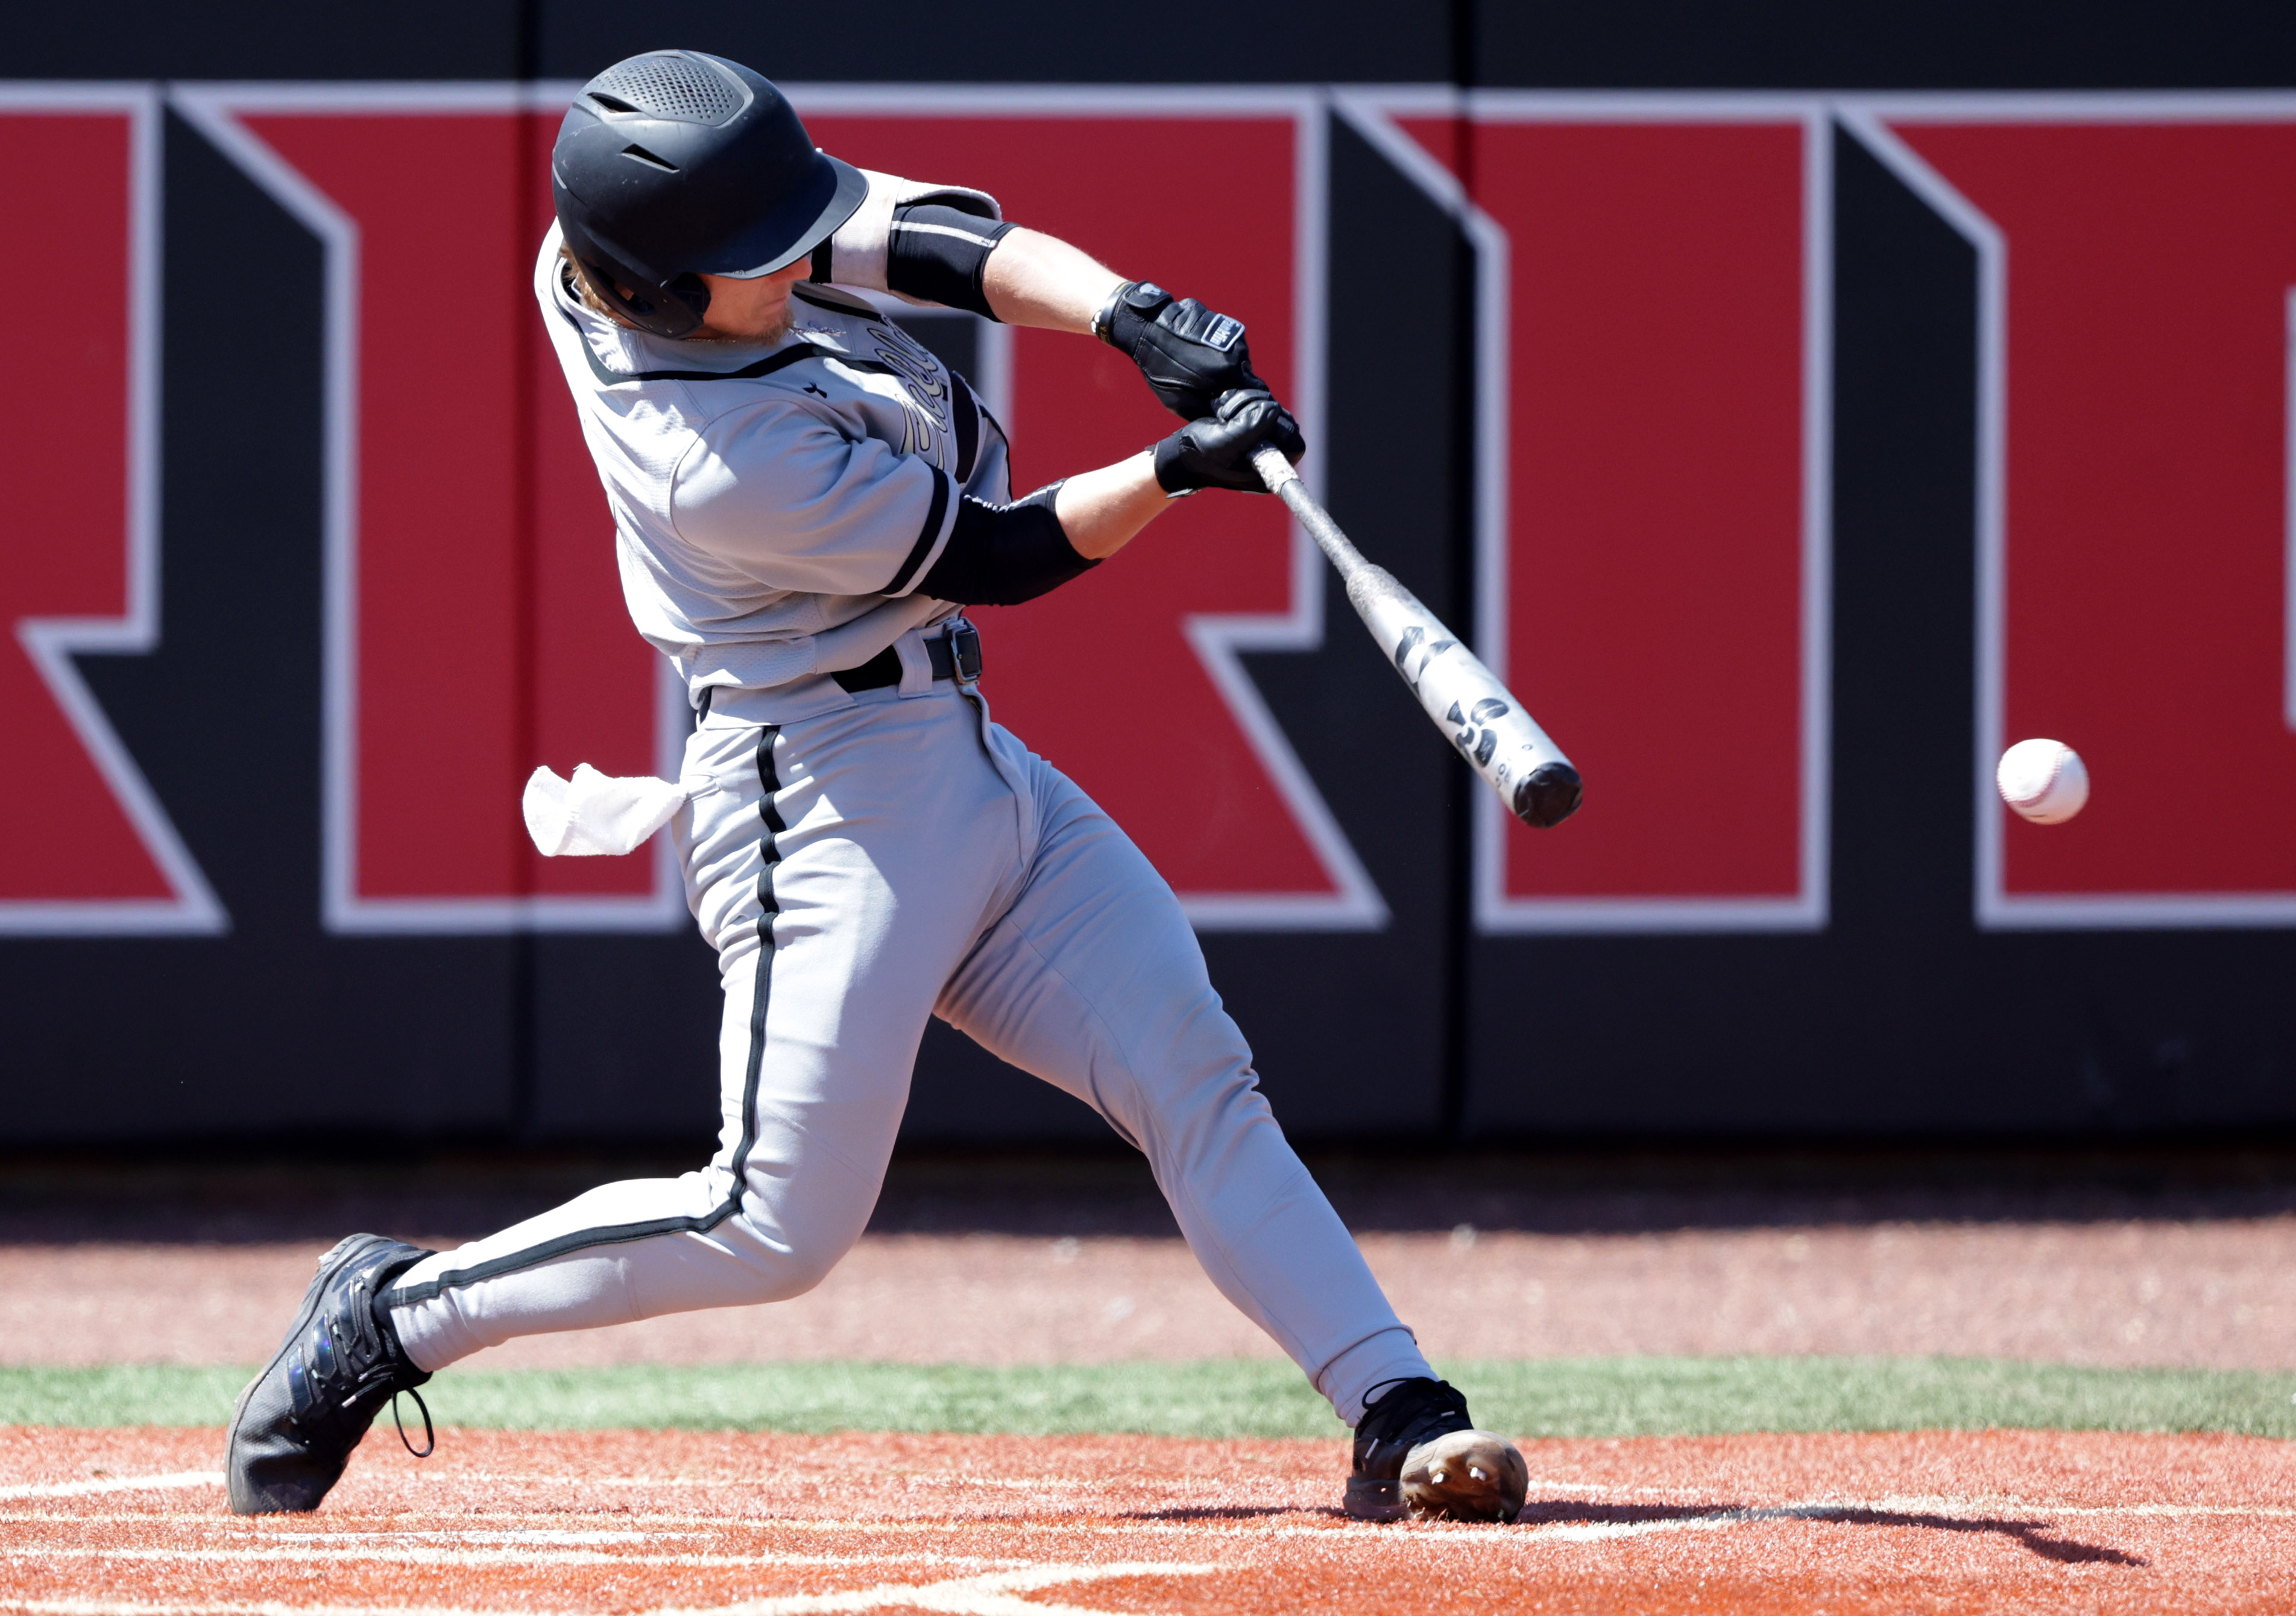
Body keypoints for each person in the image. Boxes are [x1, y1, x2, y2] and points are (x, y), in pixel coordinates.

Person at [224, 48, 1527, 1526]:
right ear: (651, 287)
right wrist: (1178, 466)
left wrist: (1129, 313)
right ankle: (392, 1315)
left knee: (1190, 1067)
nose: (792, 257)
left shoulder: (616, 240)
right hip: (816, 797)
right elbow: (999, 557)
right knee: (770, 1221)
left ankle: (1394, 1403)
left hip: (961, 760)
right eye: (751, 256)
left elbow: (934, 243)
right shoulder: (710, 459)